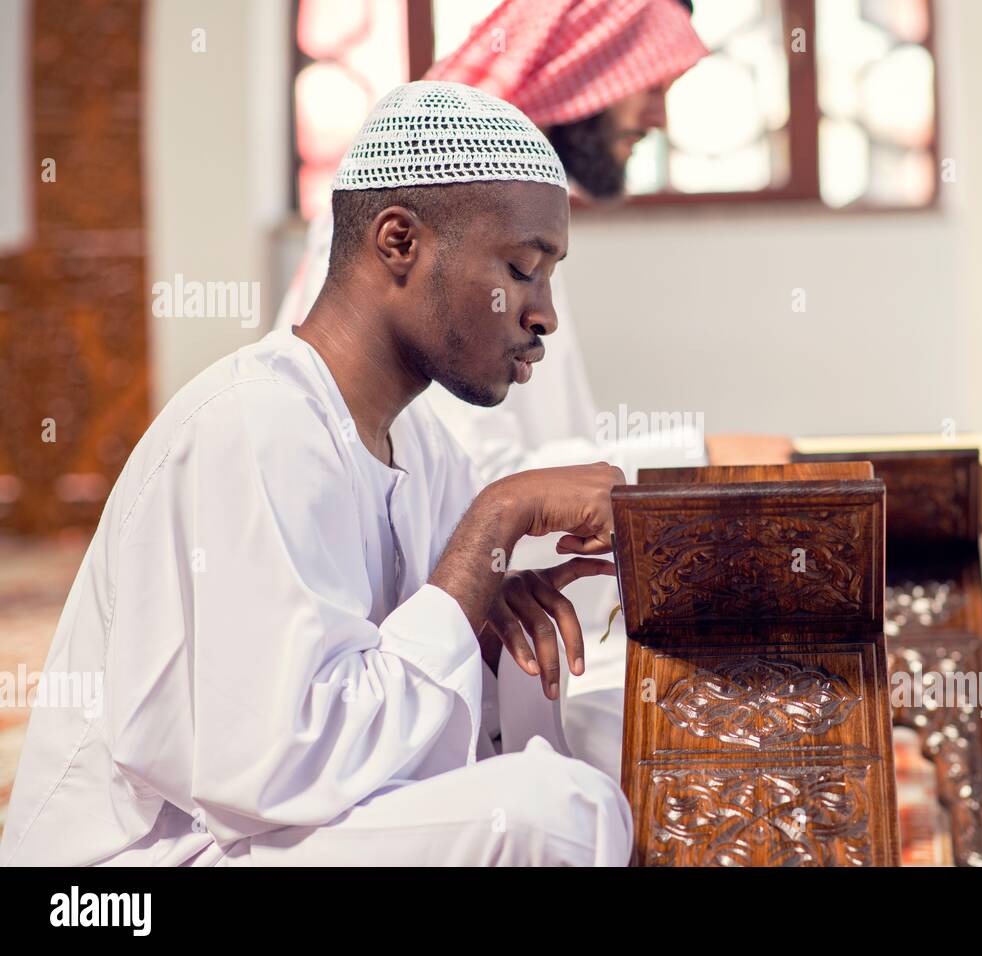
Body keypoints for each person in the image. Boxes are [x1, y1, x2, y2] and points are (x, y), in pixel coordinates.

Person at [0, 82, 631, 867]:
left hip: (269, 827)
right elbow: (279, 771)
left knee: (614, 737)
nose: (543, 314)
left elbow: (420, 733)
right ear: (399, 241)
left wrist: (487, 624)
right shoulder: (256, 422)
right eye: (522, 268)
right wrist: (493, 523)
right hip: (137, 871)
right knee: (552, 818)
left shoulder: (424, 443)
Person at [276, 0, 712, 778]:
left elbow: (459, 492)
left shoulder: (423, 416)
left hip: (397, 699)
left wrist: (491, 581)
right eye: (646, 77)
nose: (658, 110)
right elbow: (495, 485)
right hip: (329, 749)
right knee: (569, 806)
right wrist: (689, 462)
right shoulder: (264, 422)